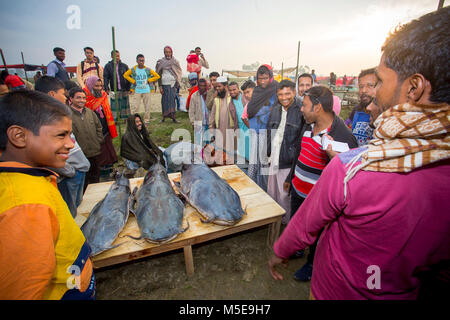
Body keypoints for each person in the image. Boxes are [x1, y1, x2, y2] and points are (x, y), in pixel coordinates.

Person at [269, 7, 450, 300]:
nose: (373, 94)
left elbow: (309, 221)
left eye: (378, 80)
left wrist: (280, 250)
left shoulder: (353, 168)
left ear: (413, 87)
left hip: (335, 289)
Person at [0, 90, 96, 299]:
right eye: (61, 135)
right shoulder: (24, 206)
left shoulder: (29, 178)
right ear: (19, 136)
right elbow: (24, 290)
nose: (71, 144)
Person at [283, 85, 358, 282]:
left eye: (304, 105)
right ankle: (298, 250)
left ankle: (312, 263)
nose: (301, 108)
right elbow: (299, 153)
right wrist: (290, 178)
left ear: (317, 108)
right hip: (298, 189)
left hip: (318, 199)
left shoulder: (343, 137)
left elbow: (350, 176)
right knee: (296, 222)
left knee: (317, 233)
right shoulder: (307, 124)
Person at [35, 76, 90, 218]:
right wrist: (69, 171)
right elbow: (46, 154)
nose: (66, 98)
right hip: (68, 174)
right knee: (69, 213)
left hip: (76, 169)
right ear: (52, 95)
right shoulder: (42, 120)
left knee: (77, 206)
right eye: (63, 94)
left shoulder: (57, 114)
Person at [266, 80, 303, 222]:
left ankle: (288, 223)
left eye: (287, 93)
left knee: (284, 194)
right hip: (274, 155)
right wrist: (268, 151)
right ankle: (275, 220)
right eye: (280, 94)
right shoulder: (275, 108)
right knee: (273, 191)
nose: (284, 97)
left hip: (288, 160)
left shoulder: (300, 109)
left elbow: (300, 139)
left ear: (294, 92)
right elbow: (270, 130)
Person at [246, 64, 278, 191]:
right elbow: (250, 110)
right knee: (254, 163)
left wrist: (265, 110)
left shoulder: (276, 89)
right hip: (255, 131)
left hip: (268, 132)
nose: (263, 81)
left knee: (264, 164)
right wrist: (266, 109)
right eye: (260, 78)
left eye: (265, 78)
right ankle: (253, 188)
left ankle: (264, 191)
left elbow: (275, 110)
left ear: (270, 77)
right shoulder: (257, 91)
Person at [68, 87, 104, 192]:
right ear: (71, 99)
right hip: (79, 156)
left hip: (94, 152)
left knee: (95, 179)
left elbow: (99, 127)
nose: (82, 100)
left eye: (84, 98)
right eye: (78, 98)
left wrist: (98, 141)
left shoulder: (90, 112)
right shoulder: (67, 115)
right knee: (82, 182)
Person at [83, 76, 118, 172]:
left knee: (108, 148)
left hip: (105, 126)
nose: (99, 88)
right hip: (93, 128)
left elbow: (107, 111)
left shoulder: (102, 95)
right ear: (90, 85)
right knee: (99, 151)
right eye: (96, 86)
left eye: (101, 86)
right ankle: (102, 170)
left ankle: (109, 168)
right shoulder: (84, 97)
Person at [123, 54, 160, 123]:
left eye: (143, 60)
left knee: (147, 106)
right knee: (135, 106)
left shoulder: (147, 69)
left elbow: (157, 76)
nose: (141, 62)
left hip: (146, 90)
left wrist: (149, 80)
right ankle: (135, 120)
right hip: (137, 90)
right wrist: (133, 81)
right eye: (140, 60)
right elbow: (125, 75)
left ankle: (146, 120)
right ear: (137, 61)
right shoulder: (133, 69)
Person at [345, 68, 377, 146]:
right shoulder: (356, 110)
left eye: (370, 85)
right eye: (361, 86)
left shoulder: (385, 115)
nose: (363, 90)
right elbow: (346, 128)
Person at [208, 76, 238, 159]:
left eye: (219, 86)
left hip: (231, 128)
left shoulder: (232, 97)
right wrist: (211, 127)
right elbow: (212, 114)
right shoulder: (216, 99)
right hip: (220, 129)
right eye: (216, 86)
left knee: (232, 150)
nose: (217, 88)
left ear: (225, 86)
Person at [155, 46, 182, 123]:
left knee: (172, 101)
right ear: (164, 53)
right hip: (164, 84)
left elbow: (179, 72)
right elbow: (158, 75)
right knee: (164, 101)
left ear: (171, 52)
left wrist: (177, 82)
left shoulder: (175, 62)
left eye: (169, 52)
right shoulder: (160, 62)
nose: (167, 53)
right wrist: (160, 86)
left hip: (172, 84)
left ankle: (173, 118)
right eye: (166, 52)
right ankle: (163, 118)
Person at [103, 50, 131, 120]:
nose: (117, 57)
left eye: (118, 56)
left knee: (125, 106)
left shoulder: (124, 66)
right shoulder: (108, 66)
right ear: (112, 56)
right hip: (114, 89)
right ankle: (114, 120)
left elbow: (129, 77)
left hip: (124, 89)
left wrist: (129, 88)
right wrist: (106, 88)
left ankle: (126, 119)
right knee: (114, 106)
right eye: (115, 56)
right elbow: (106, 77)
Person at [228, 81, 250, 164]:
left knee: (250, 147)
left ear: (238, 89)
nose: (232, 92)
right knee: (242, 149)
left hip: (248, 125)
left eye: (234, 89)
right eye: (230, 90)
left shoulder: (245, 97)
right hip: (240, 127)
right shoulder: (231, 103)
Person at [189, 78, 210, 147]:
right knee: (199, 143)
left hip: (209, 123)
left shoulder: (209, 95)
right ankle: (198, 157)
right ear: (198, 86)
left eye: (204, 86)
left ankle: (208, 157)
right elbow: (191, 111)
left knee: (208, 143)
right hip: (199, 123)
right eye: (201, 85)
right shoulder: (194, 96)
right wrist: (193, 123)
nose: (202, 87)